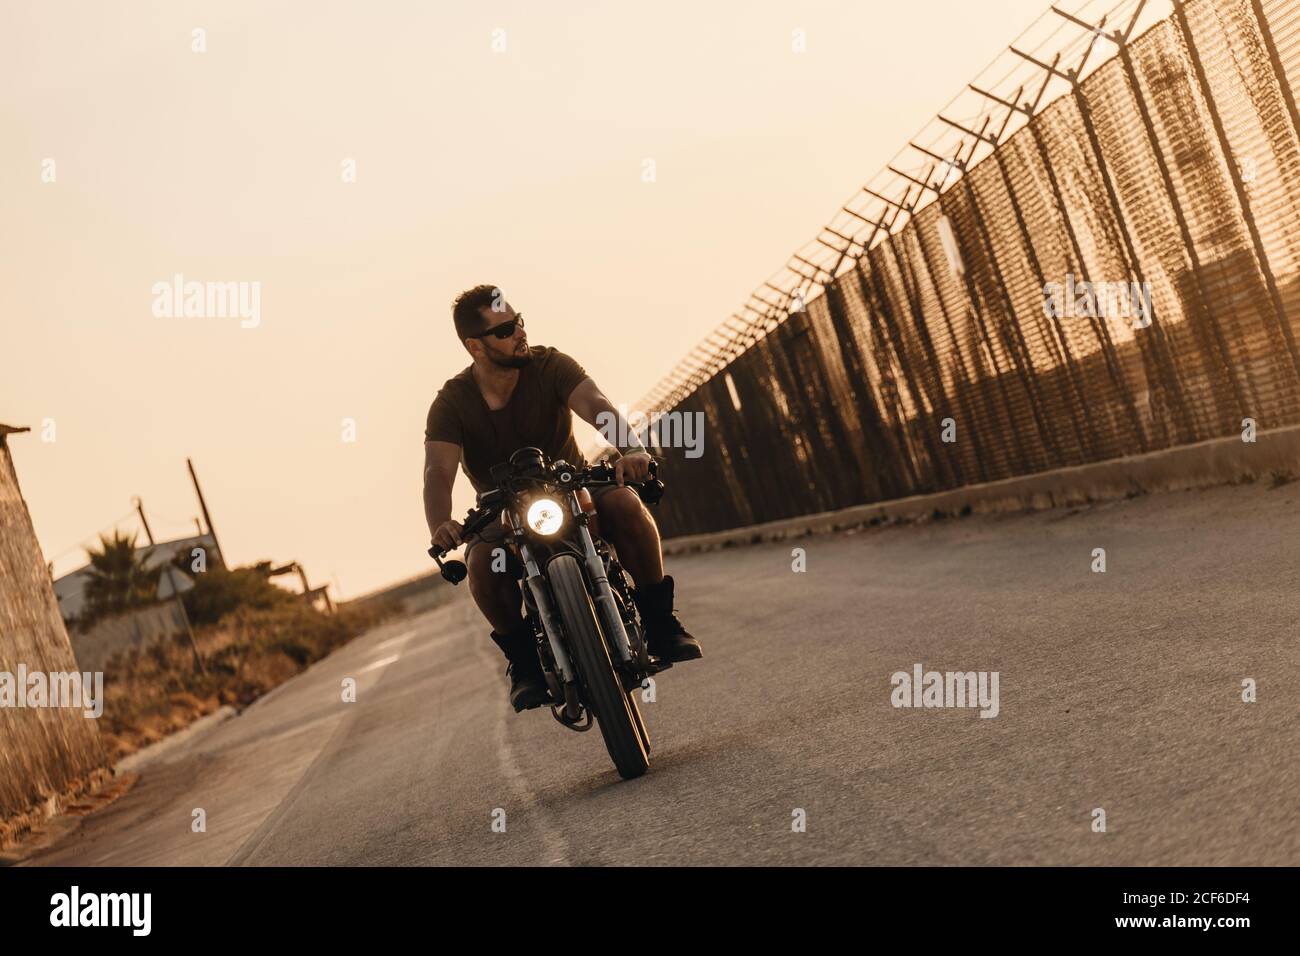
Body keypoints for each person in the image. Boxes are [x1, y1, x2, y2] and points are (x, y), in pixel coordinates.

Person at [423, 285, 702, 711]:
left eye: (519, 321)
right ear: (474, 346)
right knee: (483, 562)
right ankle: (524, 664)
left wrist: (629, 448)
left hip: (575, 484)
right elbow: (437, 471)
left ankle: (662, 621)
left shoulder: (551, 364)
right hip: (502, 510)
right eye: (504, 329)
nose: (519, 333)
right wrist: (441, 523)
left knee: (627, 503)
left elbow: (595, 404)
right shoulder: (452, 401)